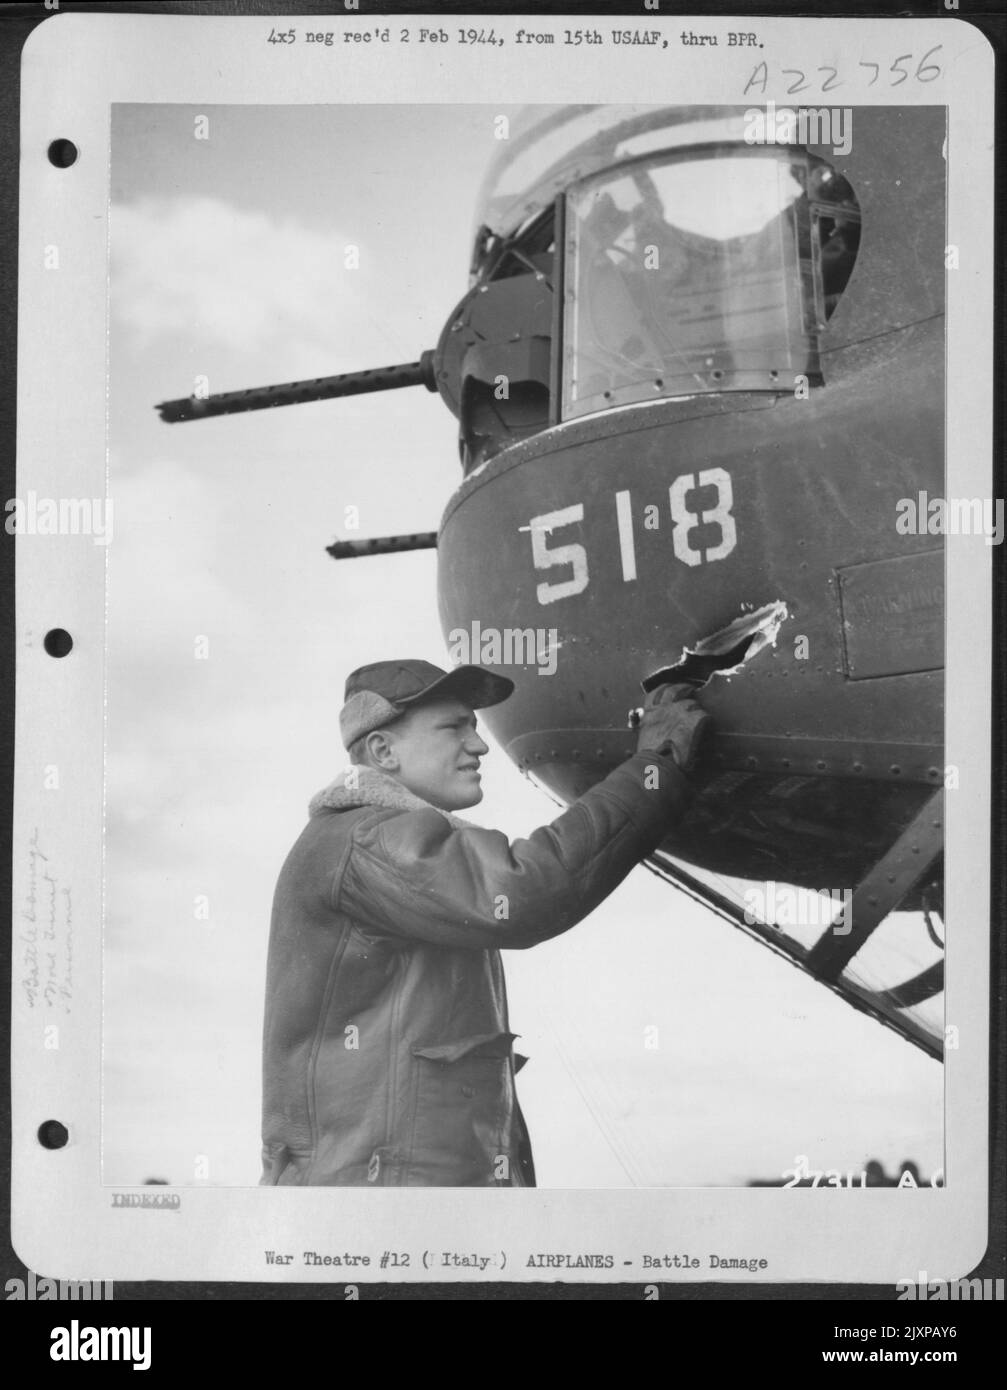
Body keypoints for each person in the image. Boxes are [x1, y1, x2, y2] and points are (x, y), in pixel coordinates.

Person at [260, 658, 710, 1188]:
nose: (480, 745)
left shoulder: (376, 841)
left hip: (395, 1201)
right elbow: (523, 889)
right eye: (454, 726)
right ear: (383, 752)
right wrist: (657, 764)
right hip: (385, 1208)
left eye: (474, 726)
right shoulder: (367, 840)